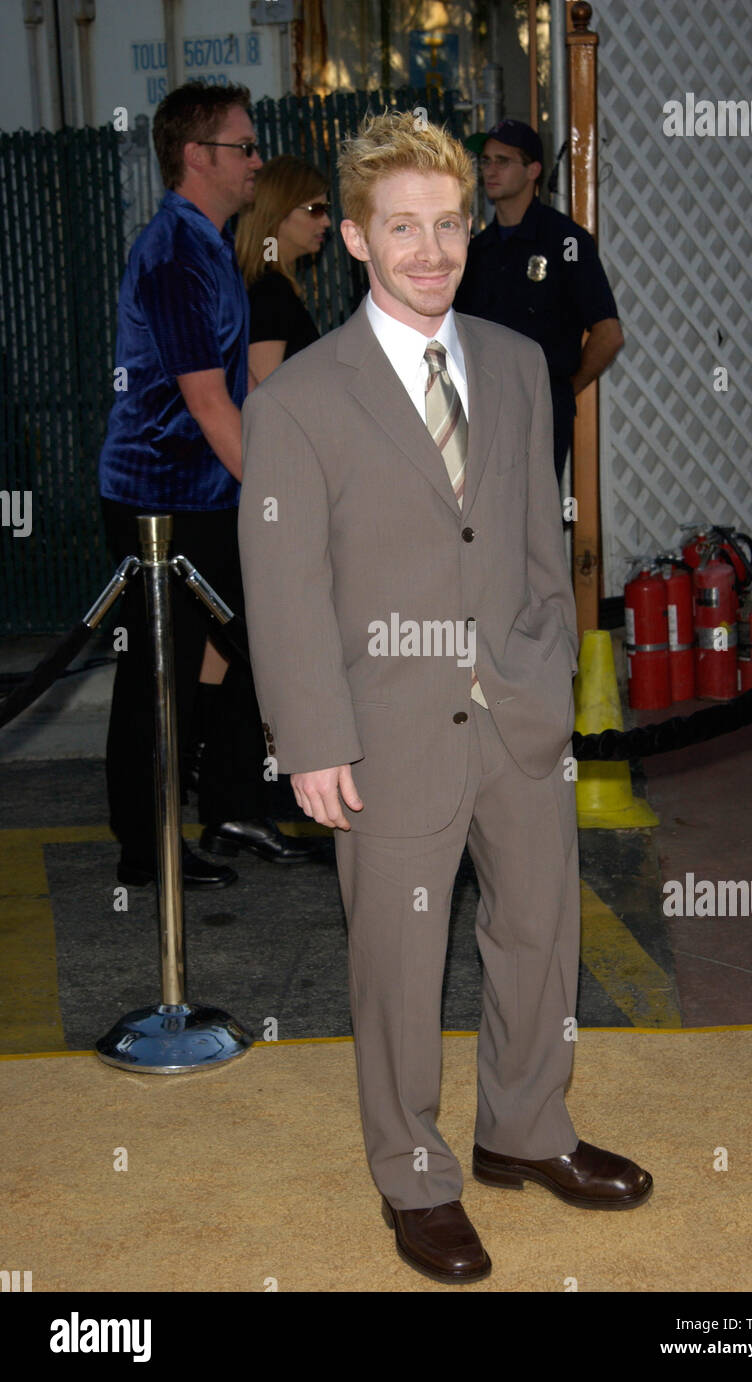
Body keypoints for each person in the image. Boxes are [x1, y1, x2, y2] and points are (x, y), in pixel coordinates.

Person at [238, 111, 652, 1284]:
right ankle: (412, 1176)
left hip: (515, 716)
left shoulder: (519, 364)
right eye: (402, 227)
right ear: (356, 241)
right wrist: (311, 738)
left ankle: (526, 1130)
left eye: (449, 224)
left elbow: (530, 541)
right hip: (382, 732)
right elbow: (284, 584)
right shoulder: (300, 400)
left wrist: (541, 678)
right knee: (398, 966)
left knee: (538, 936)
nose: (431, 249)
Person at [98, 82, 324, 887]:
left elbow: (237, 392)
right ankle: (146, 847)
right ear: (197, 158)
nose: (258, 160)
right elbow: (204, 401)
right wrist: (277, 497)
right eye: (245, 147)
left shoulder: (211, 247)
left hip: (202, 495)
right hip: (160, 499)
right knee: (160, 674)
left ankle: (228, 806)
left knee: (234, 653)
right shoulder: (173, 252)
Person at [454, 118, 624, 484]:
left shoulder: (565, 241)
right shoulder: (476, 250)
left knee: (534, 519)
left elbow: (608, 334)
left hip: (539, 408)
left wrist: (562, 390)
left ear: (533, 170)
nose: (490, 171)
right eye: (485, 161)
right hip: (483, 409)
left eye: (503, 161)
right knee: (481, 518)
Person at [235, 154, 330, 385]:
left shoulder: (267, 286)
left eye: (325, 209)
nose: (326, 221)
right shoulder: (269, 291)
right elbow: (266, 397)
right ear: (278, 213)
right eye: (315, 209)